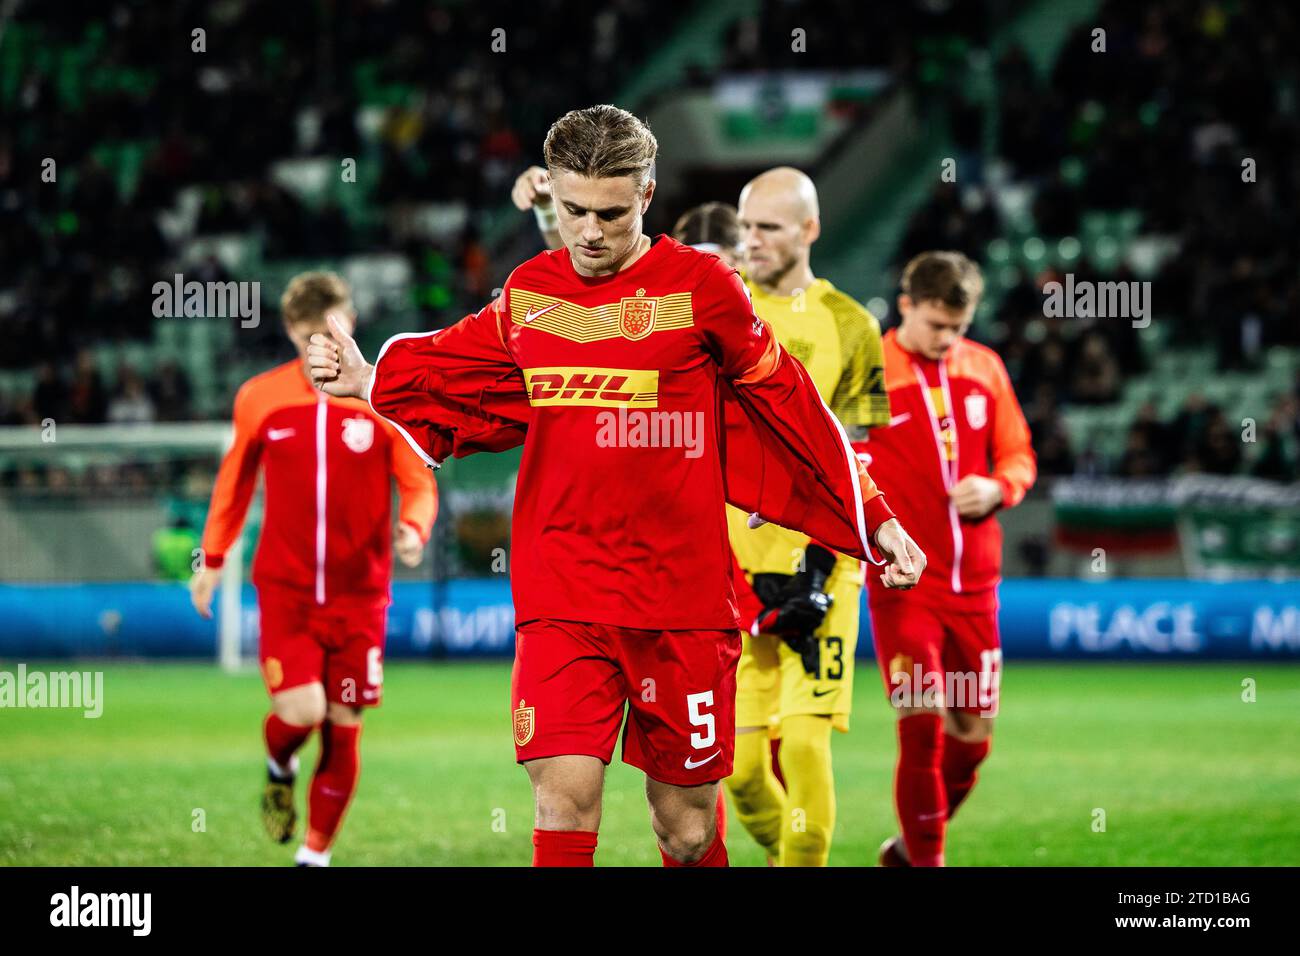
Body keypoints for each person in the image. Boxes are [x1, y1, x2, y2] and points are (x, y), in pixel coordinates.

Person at [309, 104, 925, 867]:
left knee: (687, 829)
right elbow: (454, 365)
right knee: (561, 798)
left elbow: (792, 406)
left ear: (647, 194)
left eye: (610, 212)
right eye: (572, 211)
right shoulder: (531, 293)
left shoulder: (705, 288)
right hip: (562, 591)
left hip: (683, 597)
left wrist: (873, 516)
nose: (590, 232)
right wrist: (369, 379)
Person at [190, 271, 437, 867]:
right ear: (291, 332)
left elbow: (417, 477)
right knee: (301, 712)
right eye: (310, 335)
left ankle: (314, 856)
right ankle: (280, 763)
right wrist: (212, 558)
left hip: (360, 596)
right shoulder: (260, 397)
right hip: (287, 591)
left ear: (349, 323)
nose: (323, 343)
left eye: (334, 329)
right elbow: (234, 482)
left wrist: (414, 527)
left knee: (344, 722)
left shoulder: (380, 396)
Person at [721, 167, 890, 867]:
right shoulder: (721, 311)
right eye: (745, 226)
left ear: (810, 230)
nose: (751, 241)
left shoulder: (852, 325)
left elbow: (858, 458)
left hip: (823, 571)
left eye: (768, 228)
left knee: (808, 740)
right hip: (732, 578)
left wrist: (818, 568)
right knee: (739, 770)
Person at [862, 251, 1035, 867]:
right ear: (906, 305)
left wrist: (998, 488)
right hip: (905, 586)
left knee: (972, 743)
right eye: (937, 325)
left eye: (958, 328)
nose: (947, 339)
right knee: (922, 722)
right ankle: (930, 863)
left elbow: (1019, 453)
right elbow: (840, 459)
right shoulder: (869, 372)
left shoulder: (984, 367)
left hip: (977, 589)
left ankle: (910, 850)